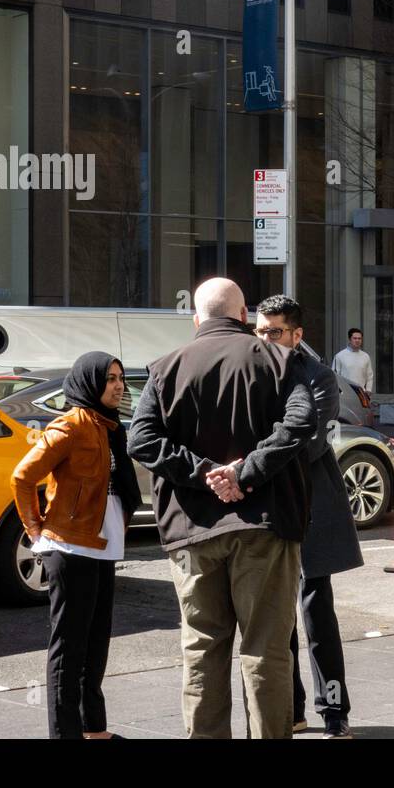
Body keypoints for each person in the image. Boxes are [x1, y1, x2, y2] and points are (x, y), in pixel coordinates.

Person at [128, 278, 316, 739]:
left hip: (191, 530)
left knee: (202, 649)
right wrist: (241, 472)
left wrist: (205, 472)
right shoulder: (279, 359)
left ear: (196, 320)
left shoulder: (165, 368)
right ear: (244, 315)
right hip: (264, 526)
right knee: (266, 650)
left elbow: (142, 440)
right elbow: (301, 423)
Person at [11, 352, 143, 739]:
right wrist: (36, 530)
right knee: (68, 650)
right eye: (110, 379)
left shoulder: (109, 426)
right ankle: (64, 734)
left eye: (120, 378)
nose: (119, 386)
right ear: (90, 383)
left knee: (96, 643)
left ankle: (93, 729)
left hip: (102, 545)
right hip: (69, 548)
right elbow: (22, 477)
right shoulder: (72, 425)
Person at [255, 295, 365, 739]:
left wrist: (254, 460)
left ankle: (333, 711)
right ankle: (292, 708)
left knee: (317, 614)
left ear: (297, 335)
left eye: (274, 331)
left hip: (311, 506)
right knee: (274, 618)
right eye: (259, 331)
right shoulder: (252, 372)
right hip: (266, 508)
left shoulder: (320, 378)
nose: (265, 339)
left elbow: (310, 443)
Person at [332, 328, 374, 392]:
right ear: (349, 339)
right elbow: (335, 377)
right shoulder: (339, 356)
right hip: (346, 395)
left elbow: (369, 376)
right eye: (354, 338)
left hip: (362, 394)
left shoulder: (366, 356)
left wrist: (368, 390)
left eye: (359, 338)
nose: (357, 340)